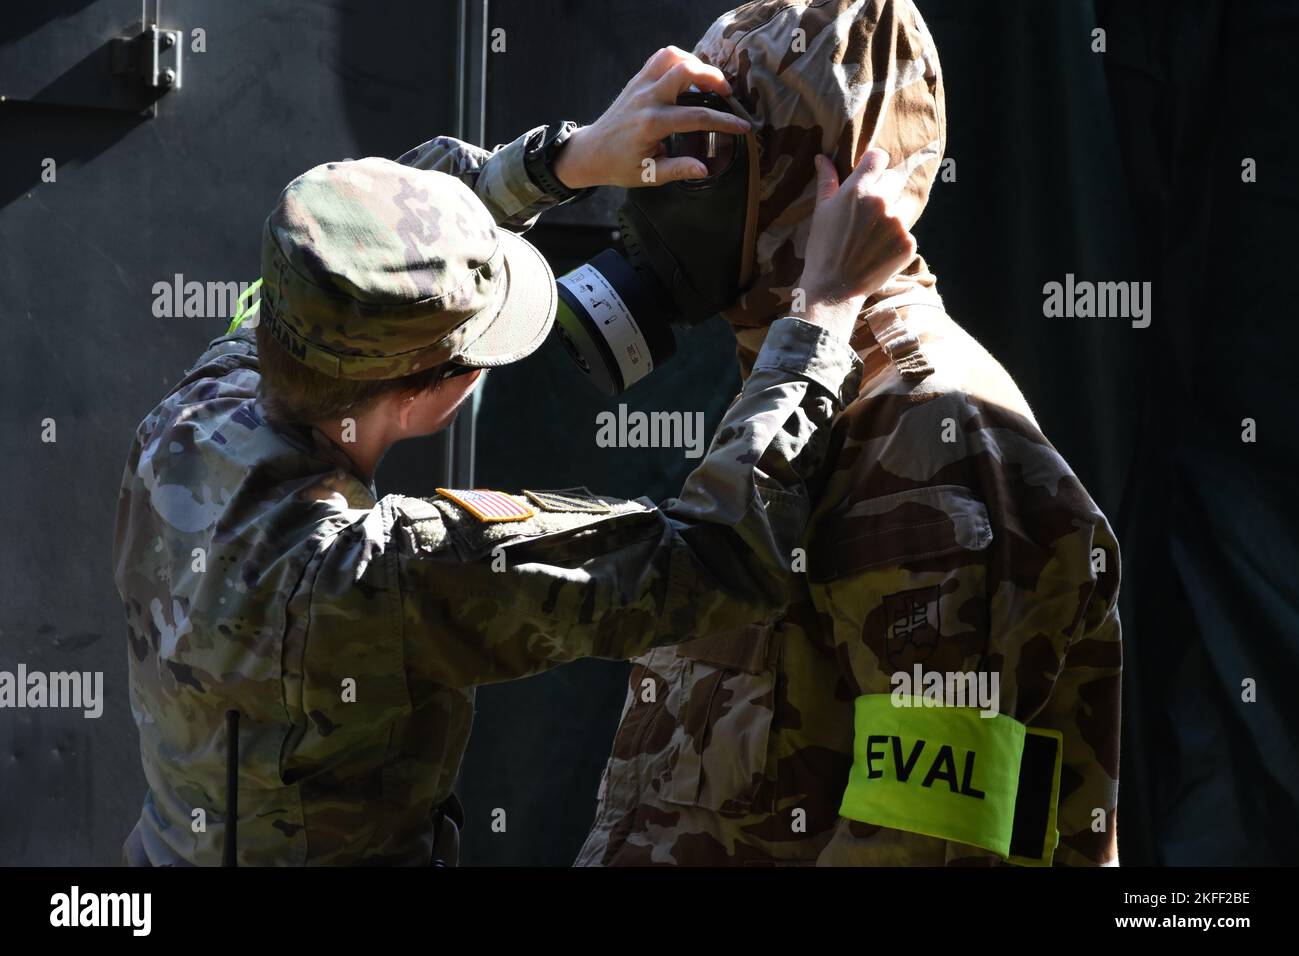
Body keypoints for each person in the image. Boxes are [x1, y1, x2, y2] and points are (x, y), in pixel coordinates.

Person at [112, 45, 917, 865]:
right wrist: (825, 312)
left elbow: (362, 236)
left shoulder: (199, 409)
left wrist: (568, 158)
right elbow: (721, 558)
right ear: (434, 391)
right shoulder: (379, 578)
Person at [578, 0, 1122, 868]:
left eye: (703, 156)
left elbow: (934, 850)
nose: (661, 183)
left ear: (821, 184)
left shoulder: (932, 438)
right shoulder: (796, 390)